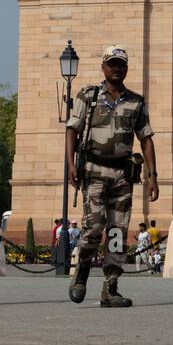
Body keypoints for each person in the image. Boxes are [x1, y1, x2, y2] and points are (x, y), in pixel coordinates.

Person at [65, 45, 158, 308]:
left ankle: (110, 288)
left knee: (117, 231)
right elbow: (72, 130)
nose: (116, 68)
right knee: (93, 227)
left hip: (123, 175)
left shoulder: (136, 102)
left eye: (121, 64)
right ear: (103, 67)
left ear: (126, 68)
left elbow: (147, 139)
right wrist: (70, 165)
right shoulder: (88, 95)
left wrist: (153, 175)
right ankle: (82, 271)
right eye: (112, 64)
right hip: (93, 171)